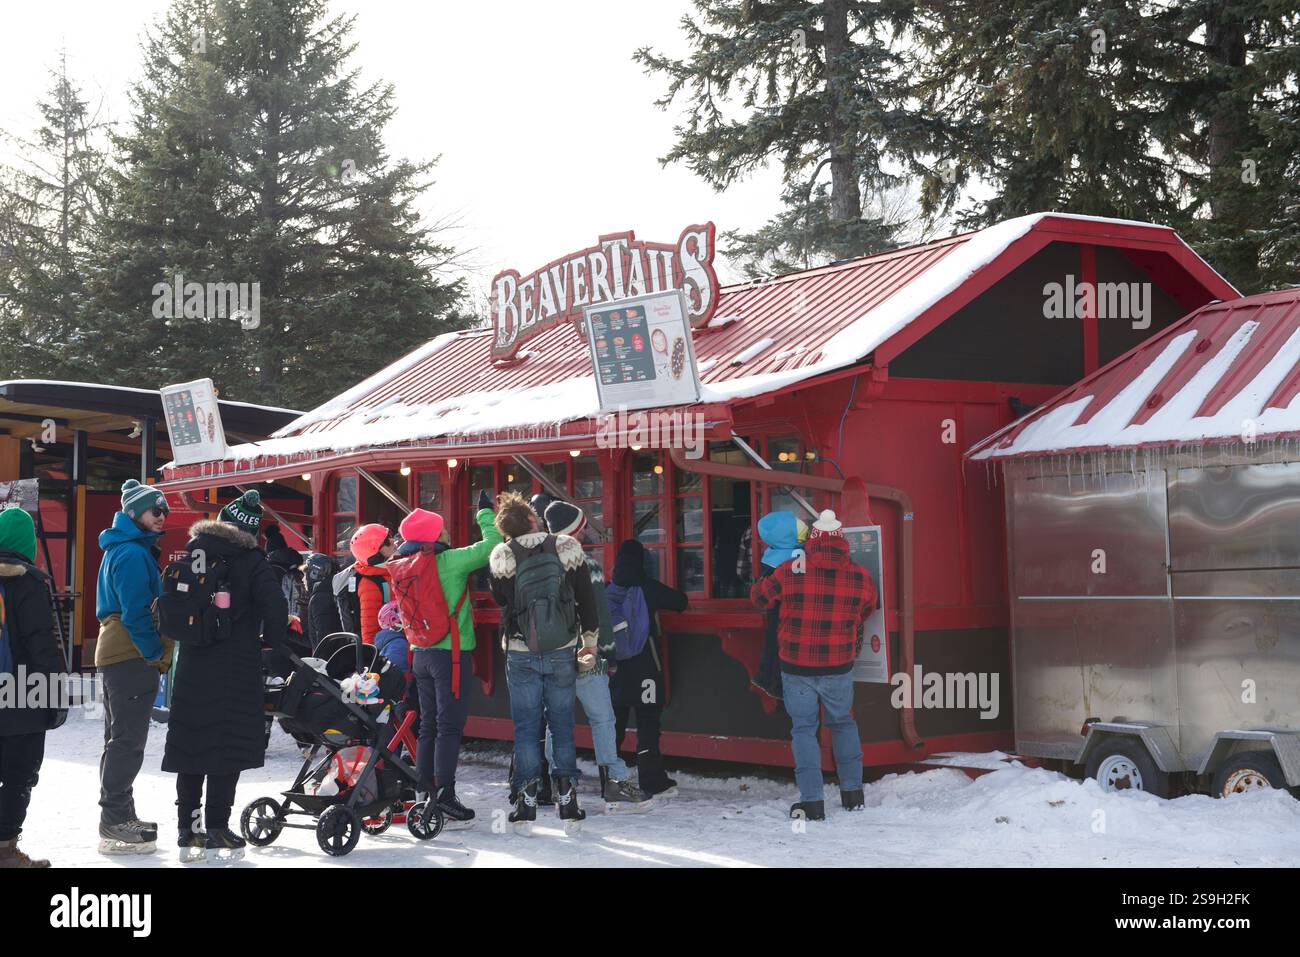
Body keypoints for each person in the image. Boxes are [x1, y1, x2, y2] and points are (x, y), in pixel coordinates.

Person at [162, 489, 291, 862]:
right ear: (250, 530)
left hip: (192, 663)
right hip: (235, 665)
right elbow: (275, 605)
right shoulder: (251, 559)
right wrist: (273, 642)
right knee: (226, 748)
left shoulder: (195, 552)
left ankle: (188, 830)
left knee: (190, 746)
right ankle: (217, 827)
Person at [750, 509, 876, 821]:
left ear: (813, 540)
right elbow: (869, 608)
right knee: (843, 724)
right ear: (842, 541)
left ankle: (813, 801)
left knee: (804, 730)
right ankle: (852, 793)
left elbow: (758, 599)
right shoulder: (860, 575)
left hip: (796, 666)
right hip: (839, 664)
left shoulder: (790, 570)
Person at [489, 492, 600, 831]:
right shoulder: (566, 546)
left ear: (506, 529)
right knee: (562, 724)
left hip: (521, 652)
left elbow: (500, 599)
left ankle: (526, 802)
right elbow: (586, 598)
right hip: (562, 648)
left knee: (525, 729)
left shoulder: (502, 554)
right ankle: (567, 802)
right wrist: (589, 644)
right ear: (533, 518)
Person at [390, 496, 500, 828]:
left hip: (420, 653)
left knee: (428, 727)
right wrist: (483, 512)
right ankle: (445, 796)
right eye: (443, 529)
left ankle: (424, 792)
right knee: (449, 728)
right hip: (449, 656)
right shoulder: (450, 560)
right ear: (434, 536)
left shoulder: (401, 564)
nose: (448, 533)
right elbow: (492, 545)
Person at [541, 501, 650, 811]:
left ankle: (558, 782)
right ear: (575, 530)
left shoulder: (540, 563)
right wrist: (609, 656)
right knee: (603, 719)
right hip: (585, 656)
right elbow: (599, 615)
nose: (587, 530)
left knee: (555, 722)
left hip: (550, 656)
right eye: (583, 525)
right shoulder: (586, 564)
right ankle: (616, 781)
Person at [94, 479, 173, 855]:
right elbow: (137, 612)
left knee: (119, 740)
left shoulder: (128, 549)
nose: (162, 517)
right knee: (127, 742)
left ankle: (119, 815)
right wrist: (155, 653)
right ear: (133, 513)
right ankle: (114, 821)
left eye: (165, 511)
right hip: (129, 653)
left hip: (120, 654)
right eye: (155, 510)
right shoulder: (130, 554)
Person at [0, 507, 66, 868]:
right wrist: (54, 696)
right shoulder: (28, 583)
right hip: (21, 697)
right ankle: (5, 850)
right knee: (18, 774)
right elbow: (42, 644)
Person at [608, 539, 688, 797]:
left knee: (613, 725)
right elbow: (681, 601)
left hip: (616, 670)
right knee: (648, 724)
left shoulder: (607, 590)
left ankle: (611, 779)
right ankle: (651, 779)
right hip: (646, 670)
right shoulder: (649, 588)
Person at [751, 511, 809, 700]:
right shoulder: (803, 558)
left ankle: (773, 682)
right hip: (804, 626)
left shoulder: (771, 559)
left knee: (775, 648)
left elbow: (759, 597)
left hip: (777, 618)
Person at [348, 523, 395, 646]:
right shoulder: (370, 584)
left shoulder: (389, 571)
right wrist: (372, 657)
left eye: (390, 535)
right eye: (386, 541)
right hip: (390, 648)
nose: (392, 540)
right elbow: (369, 628)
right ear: (375, 554)